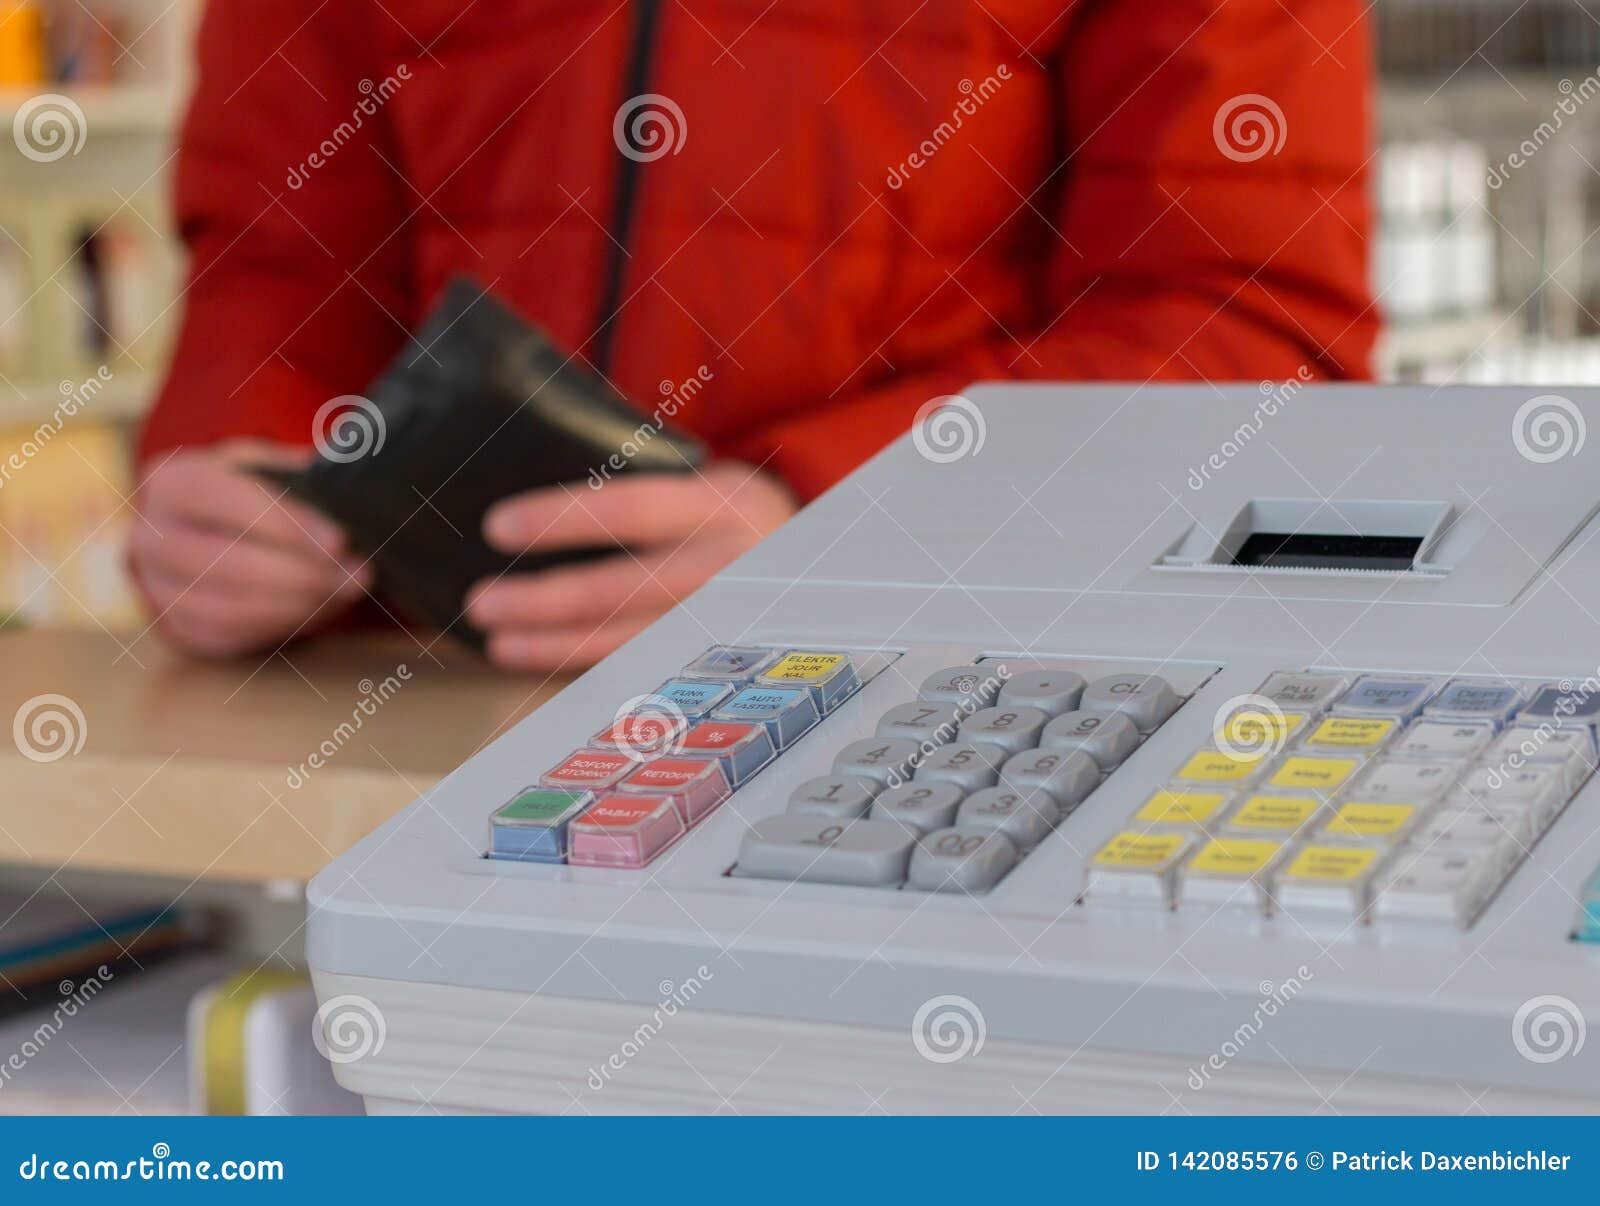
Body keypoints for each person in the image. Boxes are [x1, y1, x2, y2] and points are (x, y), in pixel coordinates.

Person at [130, 1, 1376, 671]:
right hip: (428, 760)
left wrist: (839, 519)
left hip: (936, 732)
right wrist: (241, 485)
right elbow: (278, 268)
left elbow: (1251, 329)